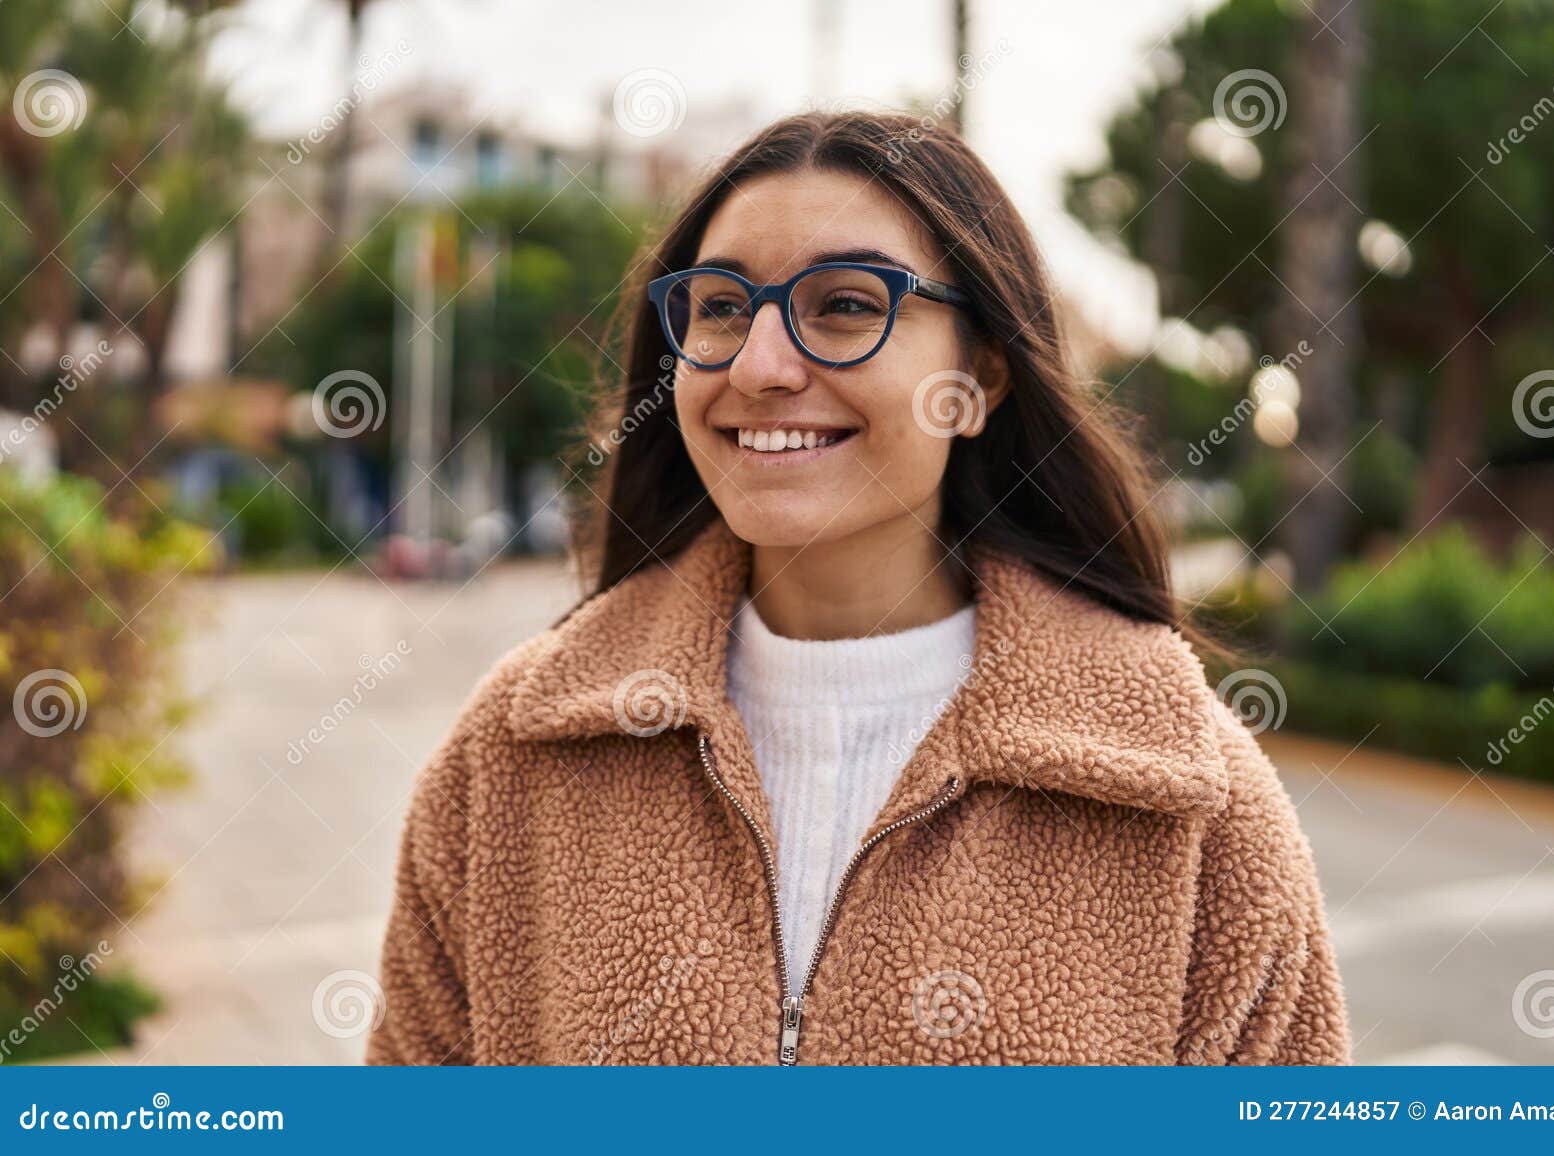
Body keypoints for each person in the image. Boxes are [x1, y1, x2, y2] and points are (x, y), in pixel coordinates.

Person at [366, 110, 1350, 1066]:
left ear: (982, 375)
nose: (759, 365)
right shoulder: (511, 753)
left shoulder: (1185, 795)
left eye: (844, 304)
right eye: (718, 306)